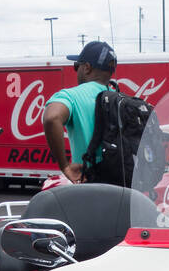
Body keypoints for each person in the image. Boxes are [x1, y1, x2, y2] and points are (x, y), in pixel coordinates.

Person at [42, 41, 117, 183]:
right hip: (121, 187)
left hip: (89, 184)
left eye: (77, 66)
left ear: (87, 68)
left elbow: (51, 118)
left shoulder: (71, 96)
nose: (76, 70)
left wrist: (65, 167)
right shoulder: (118, 98)